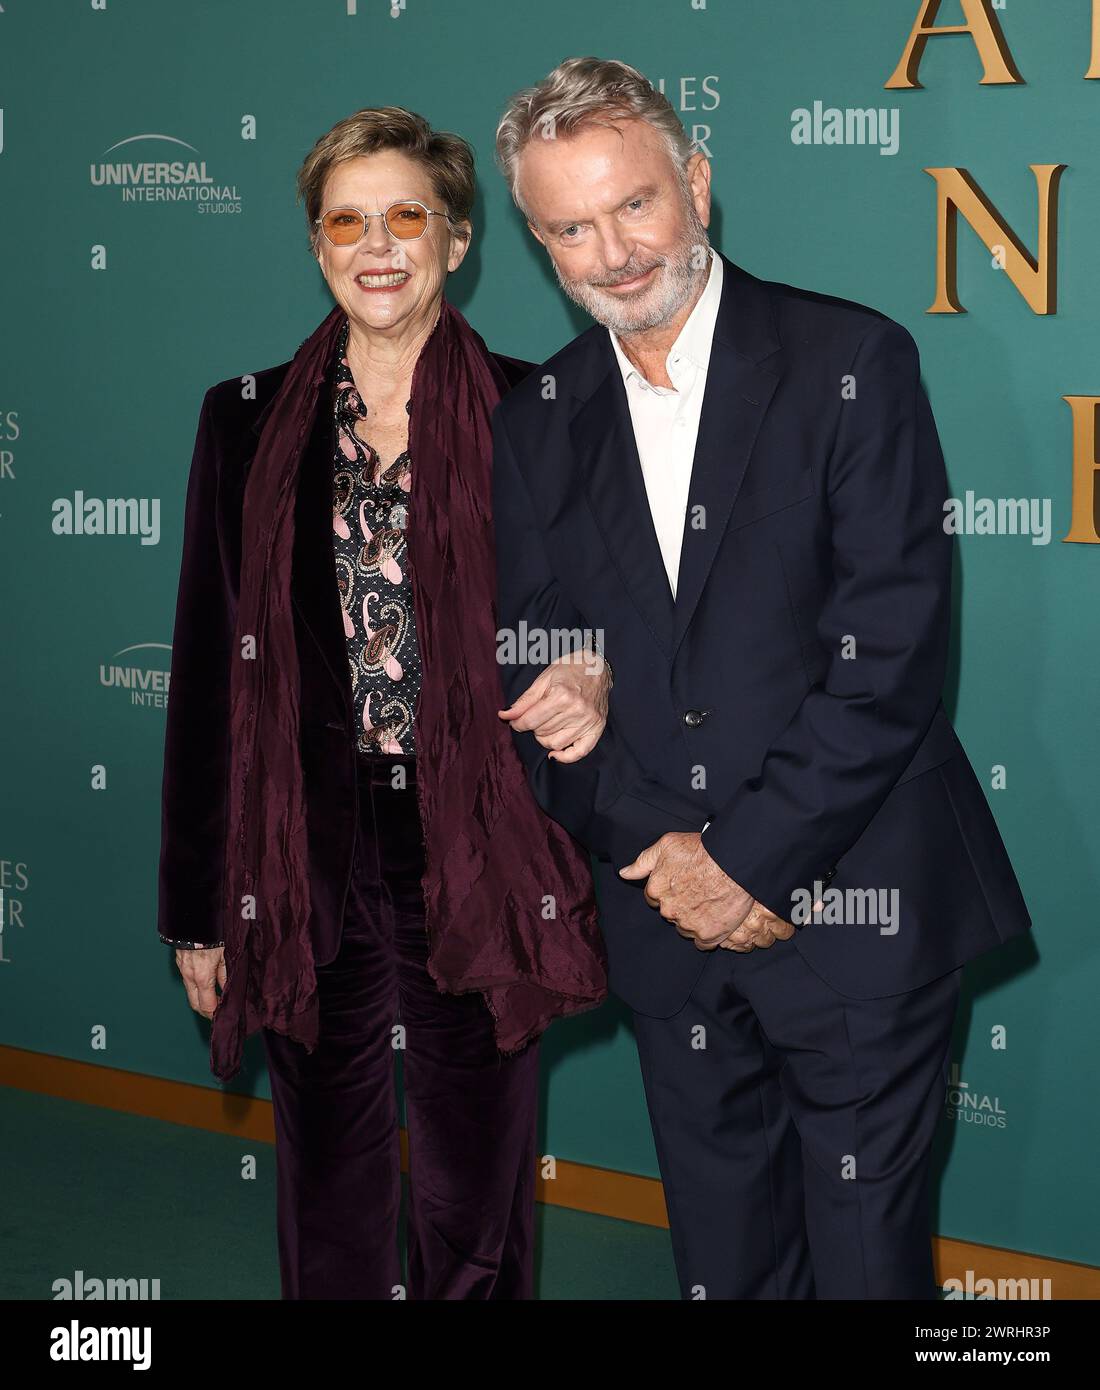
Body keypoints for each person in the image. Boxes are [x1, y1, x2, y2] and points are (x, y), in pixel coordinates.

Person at [491, 58, 1031, 1300]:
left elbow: (888, 656)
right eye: (570, 226)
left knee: (859, 1264)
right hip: (664, 922)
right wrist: (669, 860)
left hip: (853, 908)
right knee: (723, 1265)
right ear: (536, 240)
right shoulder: (537, 419)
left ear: (697, 182)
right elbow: (536, 667)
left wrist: (743, 862)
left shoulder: (850, 358)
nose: (612, 251)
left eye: (633, 204)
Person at [157, 105, 610, 1300]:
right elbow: (210, 663)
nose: (377, 243)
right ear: (315, 246)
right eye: (345, 220)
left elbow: (603, 620)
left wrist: (591, 666)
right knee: (328, 1167)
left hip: (479, 839)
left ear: (455, 238)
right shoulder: (243, 417)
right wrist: (199, 907)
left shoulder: (539, 412)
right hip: (301, 844)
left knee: (477, 1174)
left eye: (406, 215)